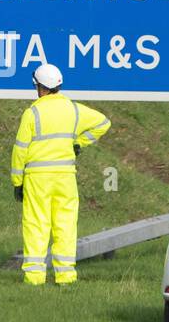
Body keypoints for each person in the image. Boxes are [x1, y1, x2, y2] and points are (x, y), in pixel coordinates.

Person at [10, 64, 111, 285]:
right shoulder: (73, 109)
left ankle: (35, 276)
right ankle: (65, 275)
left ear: (39, 87)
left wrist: (18, 182)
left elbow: (20, 149)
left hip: (38, 178)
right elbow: (103, 123)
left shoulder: (32, 112)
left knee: (37, 224)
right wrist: (79, 143)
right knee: (65, 225)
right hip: (65, 177)